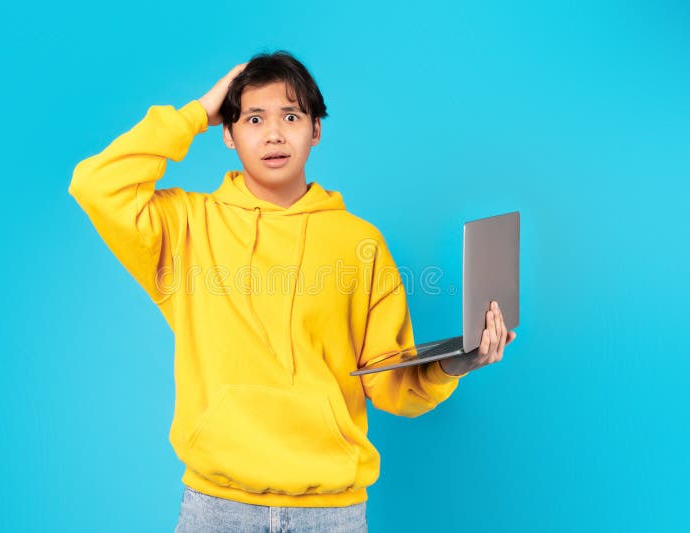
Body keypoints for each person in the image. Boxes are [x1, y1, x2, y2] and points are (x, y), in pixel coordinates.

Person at [68, 50, 516, 533]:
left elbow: (390, 384)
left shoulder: (359, 243)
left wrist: (458, 361)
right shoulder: (184, 227)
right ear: (228, 132)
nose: (274, 134)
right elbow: (97, 184)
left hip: (331, 512)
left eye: (291, 116)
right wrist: (197, 112)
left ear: (316, 130)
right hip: (215, 509)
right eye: (254, 118)